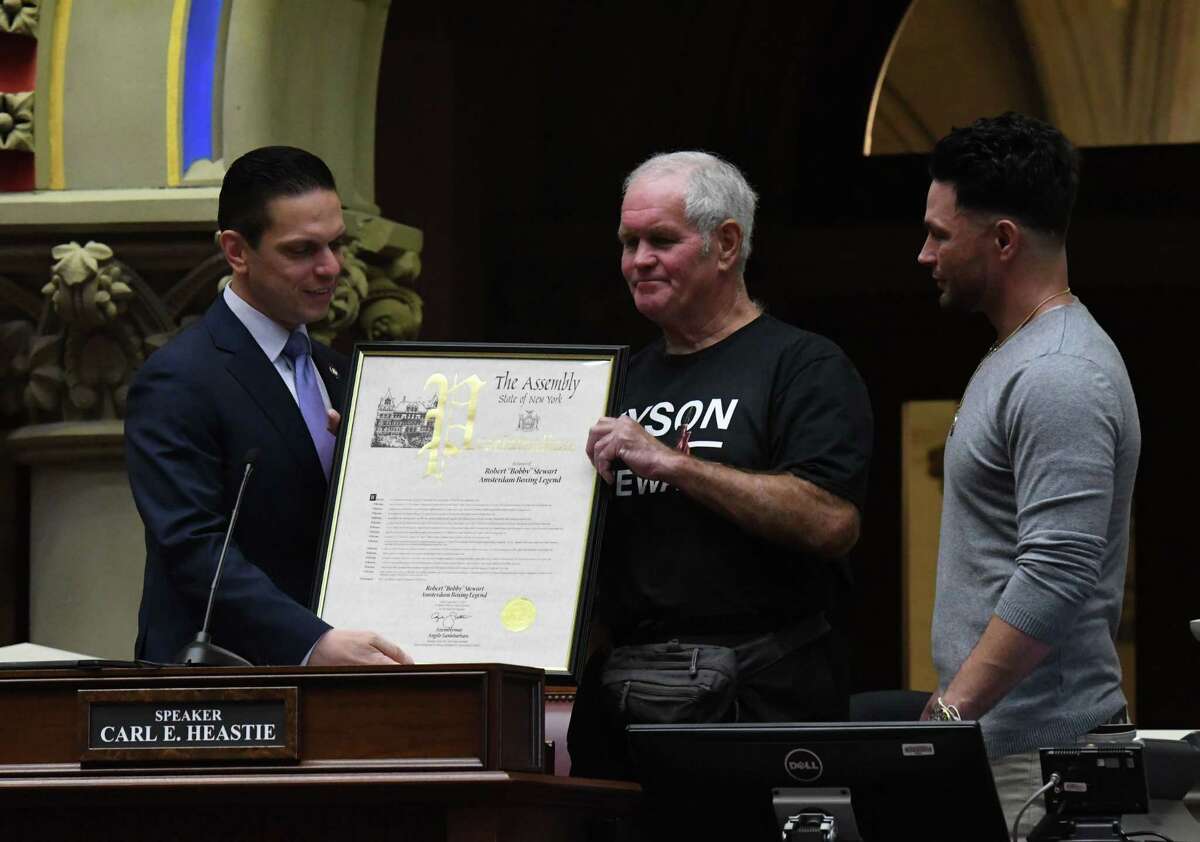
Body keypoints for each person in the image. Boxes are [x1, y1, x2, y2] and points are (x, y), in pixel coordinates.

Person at [568, 151, 873, 781]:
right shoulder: (614, 380)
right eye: (628, 242)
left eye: (661, 240)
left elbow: (831, 522)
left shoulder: (803, 366)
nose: (638, 260)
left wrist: (676, 465)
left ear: (727, 244)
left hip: (760, 705)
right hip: (625, 709)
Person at [917, 113, 1140, 836]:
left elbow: (1058, 571)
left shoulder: (1058, 373)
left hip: (1045, 762)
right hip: (1011, 751)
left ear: (1004, 240)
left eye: (940, 234)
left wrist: (950, 714)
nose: (924, 254)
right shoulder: (1020, 354)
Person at [126, 146, 412, 667]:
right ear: (237, 251)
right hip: (225, 684)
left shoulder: (342, 373)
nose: (331, 268)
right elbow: (192, 545)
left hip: (354, 678)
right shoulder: (178, 378)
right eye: (302, 250)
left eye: (336, 244)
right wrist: (311, 641)